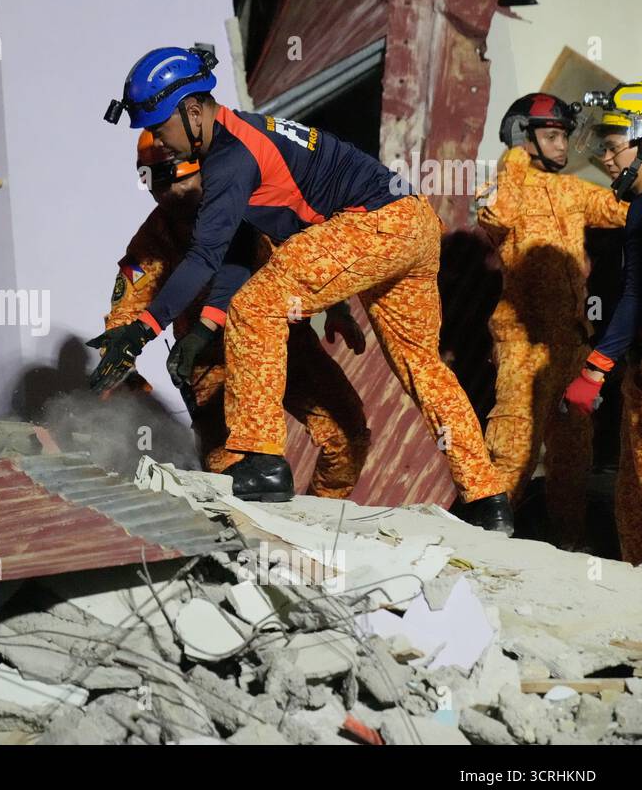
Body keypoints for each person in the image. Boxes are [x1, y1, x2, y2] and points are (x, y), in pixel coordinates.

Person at [92, 46, 511, 529]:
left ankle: (262, 461)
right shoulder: (242, 138)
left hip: (373, 226)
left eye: (161, 129)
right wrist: (332, 305)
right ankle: (486, 497)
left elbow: (211, 257)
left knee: (253, 307)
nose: (160, 144)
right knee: (422, 367)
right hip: (411, 224)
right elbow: (243, 254)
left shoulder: (228, 159)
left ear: (191, 110)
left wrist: (144, 329)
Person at [93, 131, 370, 498]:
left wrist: (337, 306)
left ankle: (314, 532)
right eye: (155, 182)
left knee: (347, 437)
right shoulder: (154, 242)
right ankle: (254, 549)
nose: (167, 194)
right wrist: (126, 378)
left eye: (176, 179)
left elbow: (311, 251)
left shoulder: (258, 202)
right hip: (212, 363)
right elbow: (123, 317)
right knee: (235, 480)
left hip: (286, 345)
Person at [477, 94, 628, 549]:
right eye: (551, 136)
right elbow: (495, 217)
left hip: (571, 347)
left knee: (572, 459)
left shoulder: (571, 191)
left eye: (564, 136)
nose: (562, 147)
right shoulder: (506, 187)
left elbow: (623, 211)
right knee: (511, 449)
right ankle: (486, 550)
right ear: (523, 138)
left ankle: (570, 549)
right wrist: (514, 158)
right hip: (522, 344)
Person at [561, 83, 642, 563]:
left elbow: (637, 296)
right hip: (638, 369)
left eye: (613, 148)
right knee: (631, 493)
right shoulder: (638, 206)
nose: (606, 160)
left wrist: (594, 369)